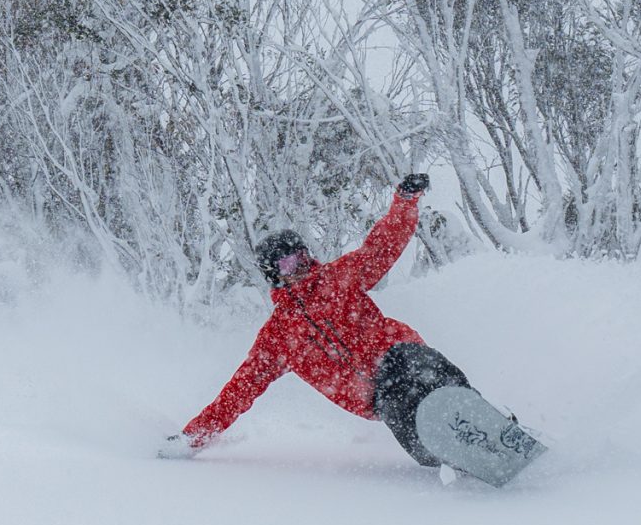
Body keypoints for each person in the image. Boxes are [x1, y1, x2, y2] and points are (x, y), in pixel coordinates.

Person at [160, 173, 475, 467]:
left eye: (298, 257)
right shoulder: (279, 335)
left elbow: (382, 247)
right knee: (400, 409)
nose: (296, 267)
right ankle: (447, 455)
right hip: (372, 395)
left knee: (420, 371)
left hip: (397, 352)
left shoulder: (337, 278)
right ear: (274, 274)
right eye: (286, 263)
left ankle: (483, 414)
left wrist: (405, 201)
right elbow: (239, 391)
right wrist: (191, 439)